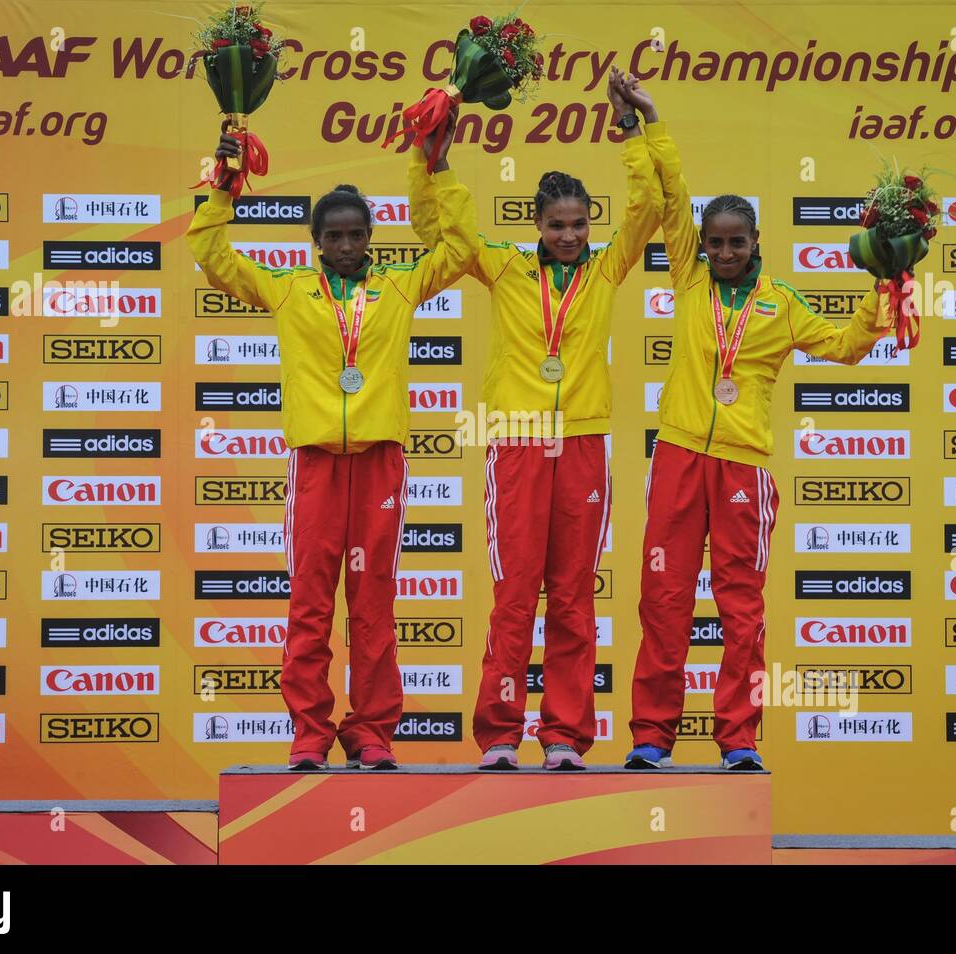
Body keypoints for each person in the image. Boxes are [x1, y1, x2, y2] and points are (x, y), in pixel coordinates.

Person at [619, 78, 896, 772]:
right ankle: (651, 735)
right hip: (680, 456)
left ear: (755, 241)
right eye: (714, 242)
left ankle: (737, 739)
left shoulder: (782, 304)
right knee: (665, 603)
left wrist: (885, 285)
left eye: (736, 242)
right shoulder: (688, 278)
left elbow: (845, 347)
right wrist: (649, 120)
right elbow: (673, 198)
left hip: (743, 468)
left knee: (741, 613)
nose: (724, 252)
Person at [187, 119, 476, 771]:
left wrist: (435, 168)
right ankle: (311, 732)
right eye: (334, 236)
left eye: (356, 235)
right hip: (316, 464)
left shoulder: (399, 287)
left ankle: (371, 730)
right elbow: (210, 253)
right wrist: (221, 188)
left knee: (373, 603)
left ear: (371, 240)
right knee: (311, 603)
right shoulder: (288, 290)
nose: (346, 246)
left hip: (379, 464)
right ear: (316, 243)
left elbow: (458, 247)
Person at [409, 69, 663, 771]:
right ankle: (498, 736)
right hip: (518, 443)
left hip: (581, 441)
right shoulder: (501, 268)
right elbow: (444, 227)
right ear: (536, 226)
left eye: (580, 224)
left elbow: (650, 207)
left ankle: (565, 737)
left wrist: (635, 127)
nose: (569, 235)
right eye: (557, 225)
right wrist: (432, 157)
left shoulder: (607, 270)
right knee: (514, 596)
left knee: (574, 600)